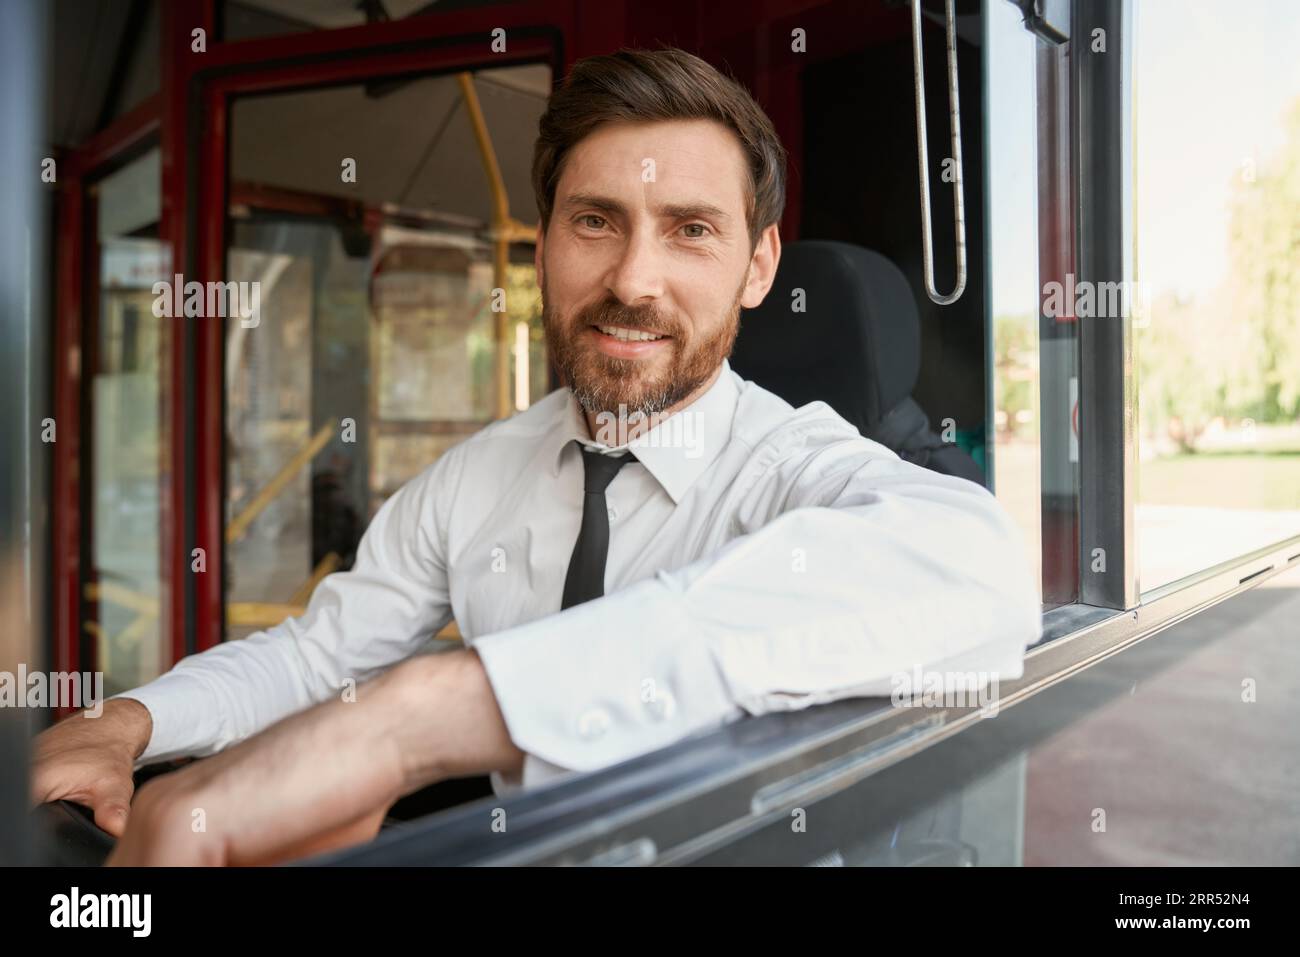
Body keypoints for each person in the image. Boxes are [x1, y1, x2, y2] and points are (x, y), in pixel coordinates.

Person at [30, 47, 1041, 865]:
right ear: (545, 241)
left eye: (690, 230)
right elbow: (318, 658)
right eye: (595, 221)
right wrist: (128, 722)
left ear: (757, 265)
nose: (632, 280)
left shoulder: (793, 466)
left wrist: (419, 715)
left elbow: (980, 572)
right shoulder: (474, 478)